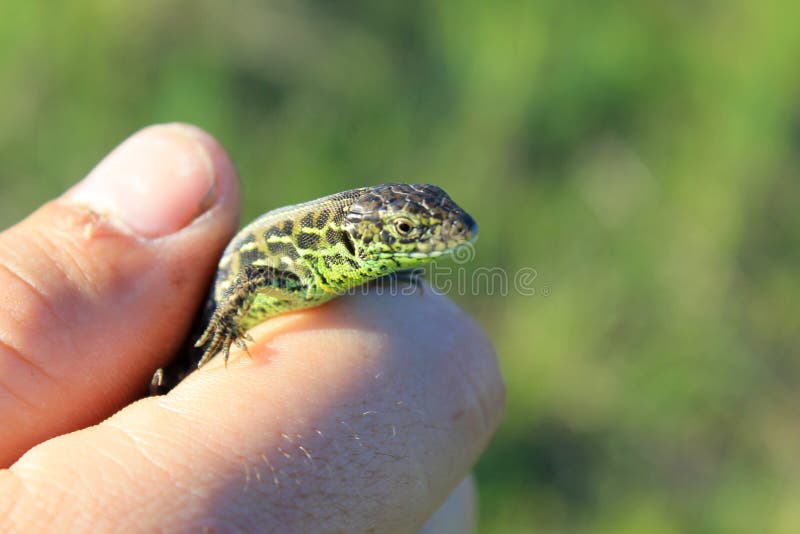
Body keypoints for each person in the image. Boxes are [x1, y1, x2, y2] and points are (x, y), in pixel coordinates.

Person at [0, 124, 504, 532]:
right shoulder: (304, 264)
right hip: (183, 354)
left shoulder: (345, 262)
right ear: (355, 240)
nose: (455, 230)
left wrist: (388, 270)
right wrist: (225, 322)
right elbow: (256, 277)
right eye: (405, 230)